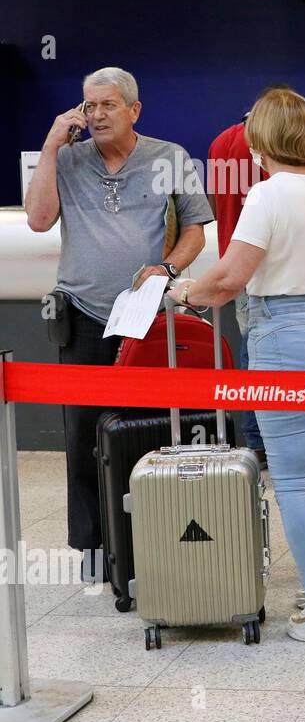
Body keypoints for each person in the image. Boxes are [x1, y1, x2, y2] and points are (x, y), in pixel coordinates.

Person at [166, 88, 305, 648]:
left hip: (286, 337)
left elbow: (230, 278)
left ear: (260, 139)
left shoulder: (265, 195)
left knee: (298, 479)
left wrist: (183, 291)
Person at [24, 66, 212, 577]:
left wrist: (168, 267)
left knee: (146, 430)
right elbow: (39, 220)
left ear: (134, 110)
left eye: (108, 104)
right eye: (89, 105)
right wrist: (48, 146)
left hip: (147, 316)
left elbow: (196, 229)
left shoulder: (169, 157)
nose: (97, 114)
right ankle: (92, 549)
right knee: (82, 434)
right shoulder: (66, 158)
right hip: (82, 314)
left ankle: (150, 538)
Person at [208, 88, 289, 463]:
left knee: (249, 348)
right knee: (263, 353)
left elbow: (215, 203)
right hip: (271, 265)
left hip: (232, 260)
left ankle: (255, 438)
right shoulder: (270, 143)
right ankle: (264, 437)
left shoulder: (219, 143)